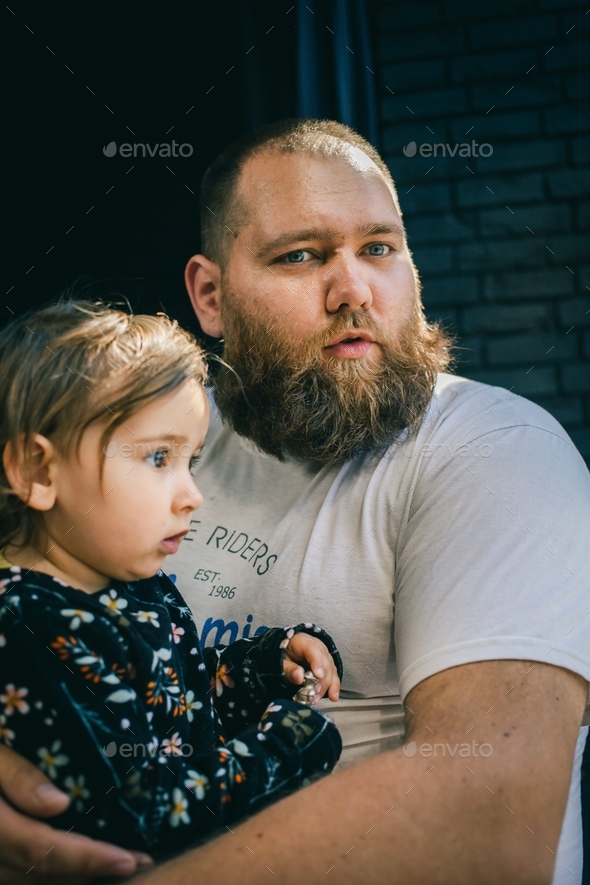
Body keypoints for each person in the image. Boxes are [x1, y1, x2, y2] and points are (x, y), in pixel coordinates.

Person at [0, 118, 589, 884]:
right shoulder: (157, 429)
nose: (353, 290)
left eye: (379, 248)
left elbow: (488, 826)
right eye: (302, 255)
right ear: (210, 296)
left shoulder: (498, 452)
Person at [0, 301, 342, 862]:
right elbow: (142, 813)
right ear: (39, 472)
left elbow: (174, 710)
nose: (192, 494)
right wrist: (290, 743)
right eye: (159, 458)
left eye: (192, 460)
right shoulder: (32, 631)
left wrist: (259, 670)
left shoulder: (133, 583)